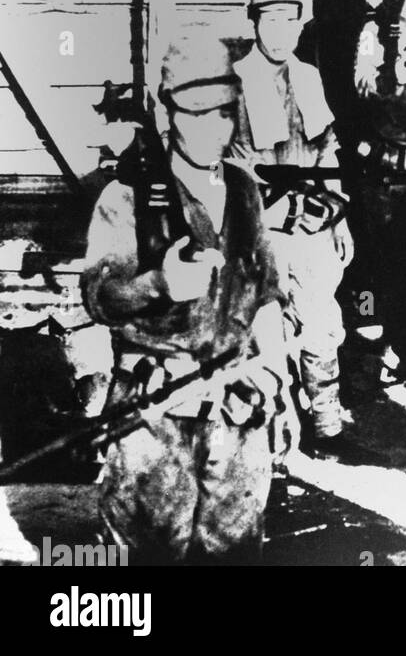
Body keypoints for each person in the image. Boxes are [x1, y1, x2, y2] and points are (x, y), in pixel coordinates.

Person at [80, 35, 290, 563]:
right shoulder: (127, 197)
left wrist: (281, 387)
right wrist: (159, 285)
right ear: (166, 112)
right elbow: (100, 297)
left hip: (238, 409)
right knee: (146, 555)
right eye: (196, 114)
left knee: (235, 550)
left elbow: (265, 296)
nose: (213, 129)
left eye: (223, 114)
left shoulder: (244, 190)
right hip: (155, 415)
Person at [232, 0, 386, 466]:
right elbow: (230, 165)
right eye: (270, 20)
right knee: (265, 333)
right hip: (265, 226)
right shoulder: (233, 83)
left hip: (314, 221)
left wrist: (338, 216)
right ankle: (268, 441)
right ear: (254, 22)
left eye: (290, 20)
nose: (281, 32)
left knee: (323, 326)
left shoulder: (307, 76)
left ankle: (327, 426)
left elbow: (326, 148)